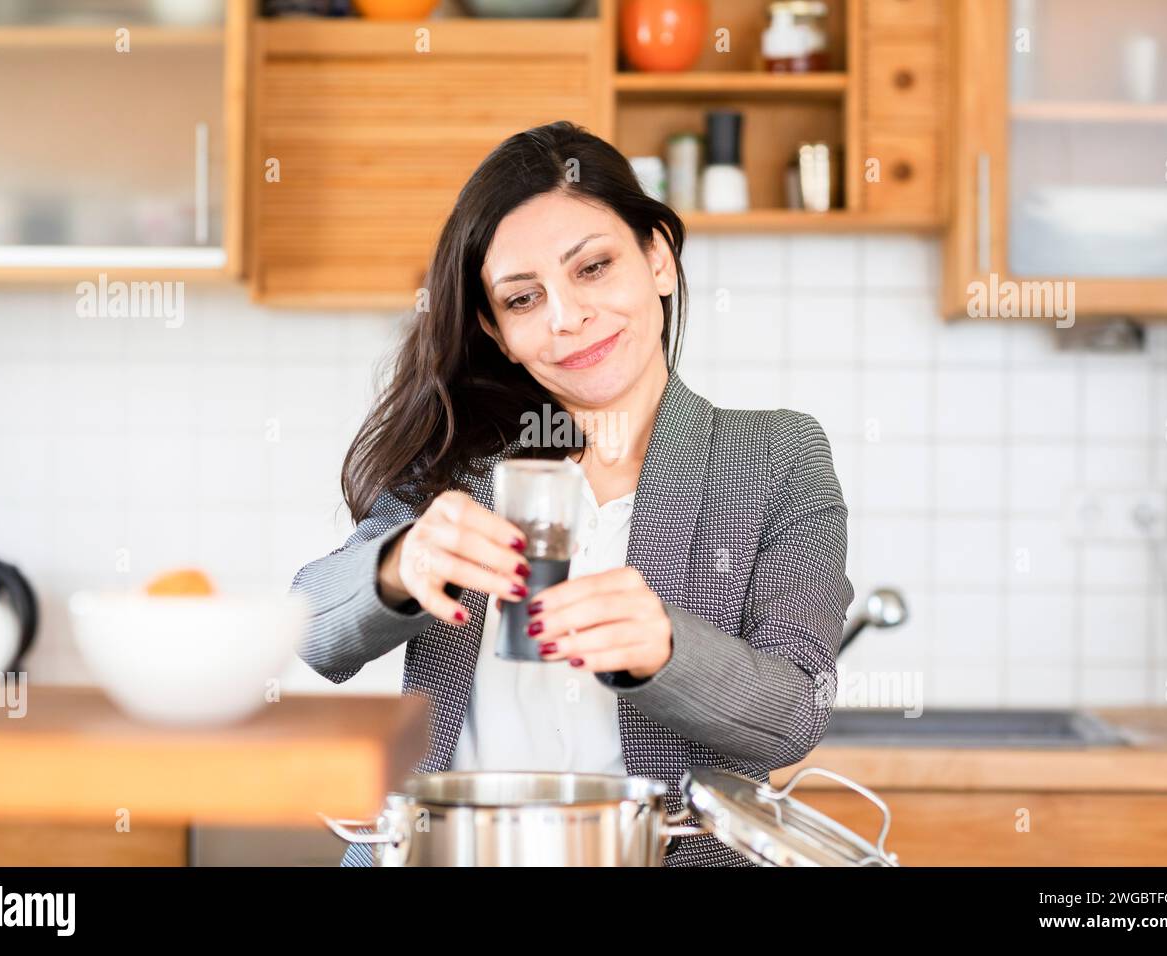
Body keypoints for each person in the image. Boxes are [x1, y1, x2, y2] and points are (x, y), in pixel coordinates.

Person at [290, 120, 854, 867]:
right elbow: (312, 632)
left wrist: (666, 651)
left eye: (592, 268)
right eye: (523, 299)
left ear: (658, 258)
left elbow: (792, 715)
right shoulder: (455, 462)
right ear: (495, 329)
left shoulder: (776, 455)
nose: (566, 317)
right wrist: (401, 565)